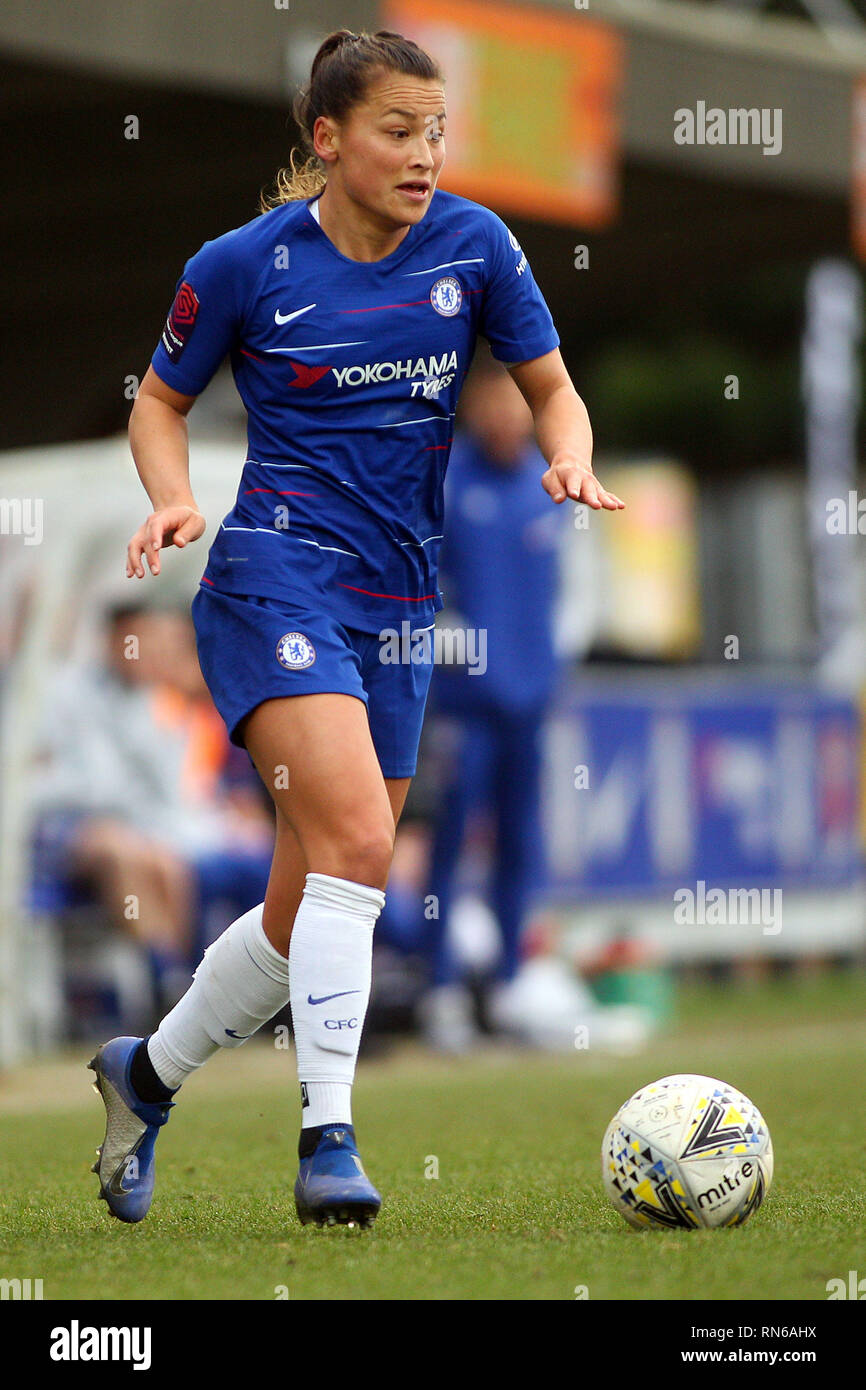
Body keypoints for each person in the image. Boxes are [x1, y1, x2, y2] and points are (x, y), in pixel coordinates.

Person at [88, 27, 623, 1231]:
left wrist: (570, 456)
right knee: (361, 855)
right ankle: (327, 1139)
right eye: (397, 130)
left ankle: (145, 1074)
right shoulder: (240, 264)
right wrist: (173, 498)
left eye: (435, 129)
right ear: (325, 139)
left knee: (307, 902)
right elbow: (159, 404)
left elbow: (548, 387)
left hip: (396, 608)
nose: (425, 154)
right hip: (274, 578)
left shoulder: (475, 245)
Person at [417, 352, 569, 1049]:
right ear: (474, 408)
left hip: (530, 703)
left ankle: (510, 985)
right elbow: (423, 594)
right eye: (494, 403)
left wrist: (547, 664)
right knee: (449, 846)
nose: (507, 416)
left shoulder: (549, 485)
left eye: (518, 404)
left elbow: (572, 594)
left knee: (519, 843)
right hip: (462, 707)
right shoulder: (445, 482)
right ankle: (440, 989)